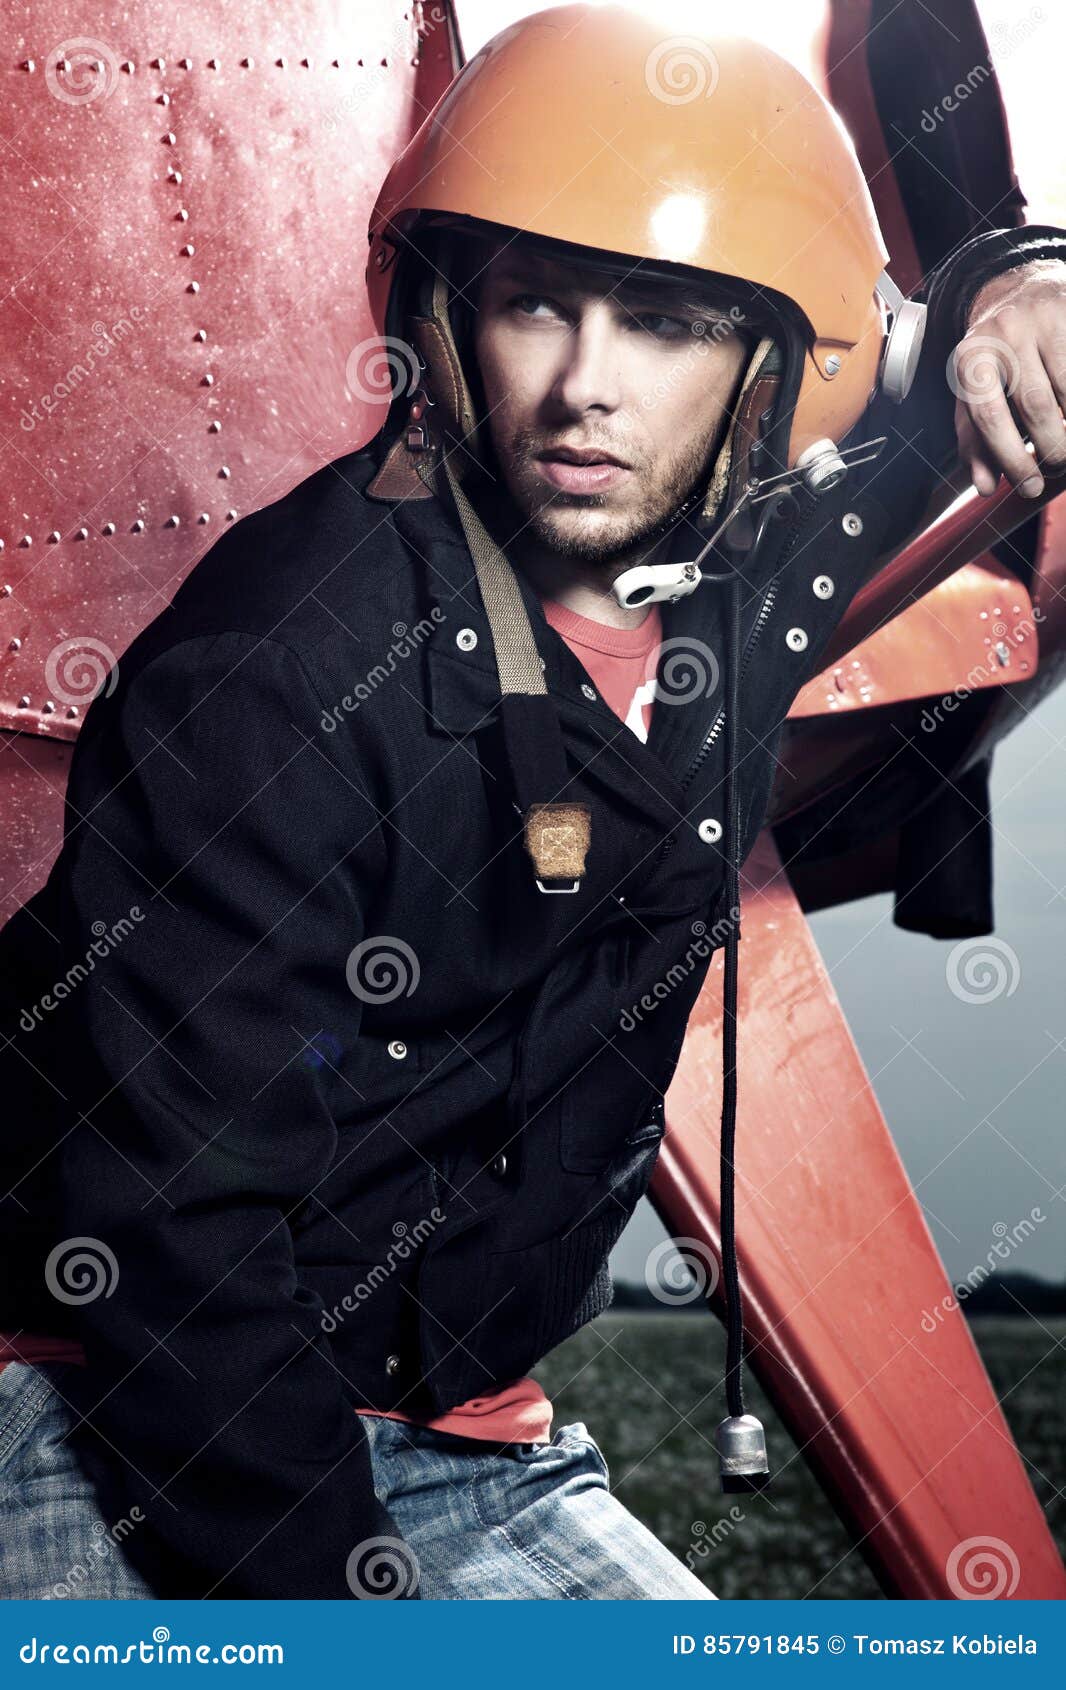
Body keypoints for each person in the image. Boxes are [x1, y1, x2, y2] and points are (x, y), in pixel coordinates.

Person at [1, 4, 1064, 1601]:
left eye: (661, 324)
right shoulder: (279, 672)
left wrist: (1006, 271)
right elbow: (174, 1252)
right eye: (531, 308)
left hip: (467, 1434)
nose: (582, 389)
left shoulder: (740, 578)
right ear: (443, 324)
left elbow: (950, 397)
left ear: (777, 370)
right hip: (114, 1410)